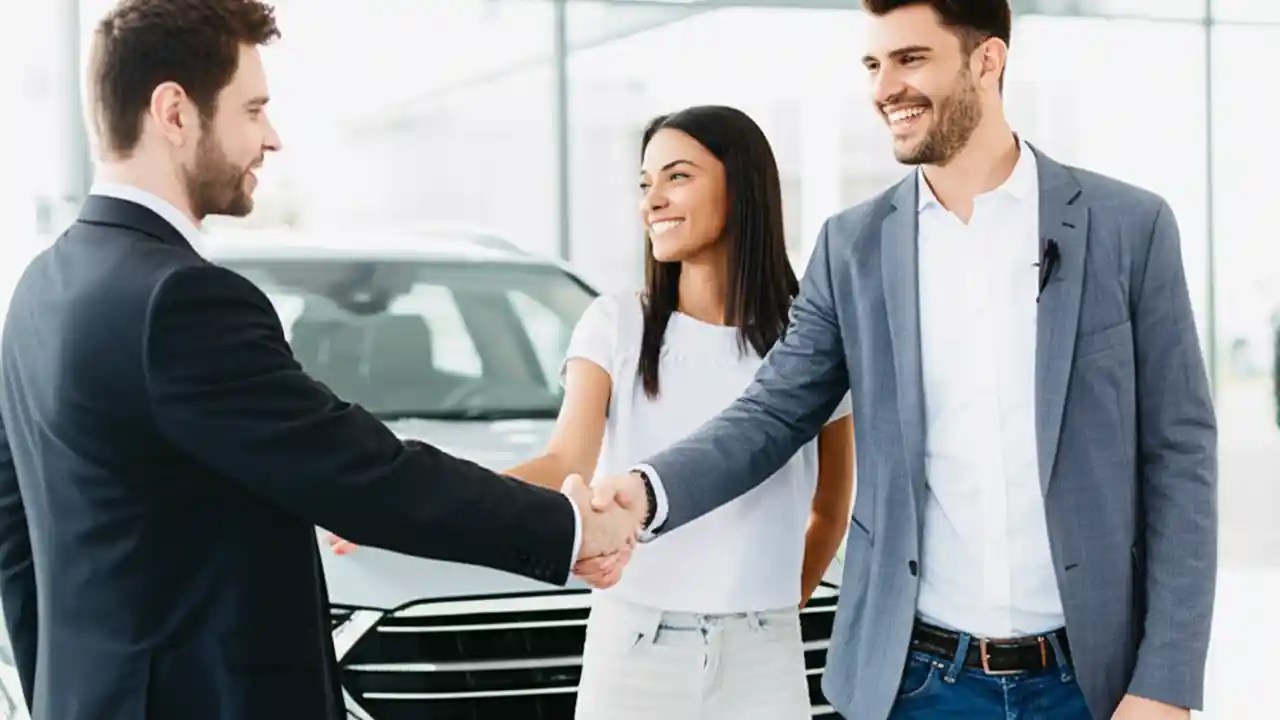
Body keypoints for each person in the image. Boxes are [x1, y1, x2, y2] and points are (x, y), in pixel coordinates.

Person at [0, 2, 634, 718]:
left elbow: (15, 536)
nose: (270, 138)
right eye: (253, 109)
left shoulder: (41, 286)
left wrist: (64, 691)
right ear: (174, 112)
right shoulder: (181, 299)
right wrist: (570, 528)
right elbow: (362, 474)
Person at [587, 2, 1217, 720]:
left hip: (1094, 682)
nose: (886, 87)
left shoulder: (1128, 229)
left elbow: (1181, 458)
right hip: (918, 686)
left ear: (987, 60)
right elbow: (769, 414)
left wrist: (1165, 680)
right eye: (874, 65)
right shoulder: (853, 248)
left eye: (911, 59)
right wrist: (643, 493)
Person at [325, 105, 856, 720]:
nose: (651, 200)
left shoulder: (806, 342)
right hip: (636, 649)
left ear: (743, 186)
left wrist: (777, 607)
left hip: (765, 658)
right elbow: (562, 465)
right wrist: (404, 512)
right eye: (644, 182)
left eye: (676, 176)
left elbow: (830, 505)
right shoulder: (617, 324)